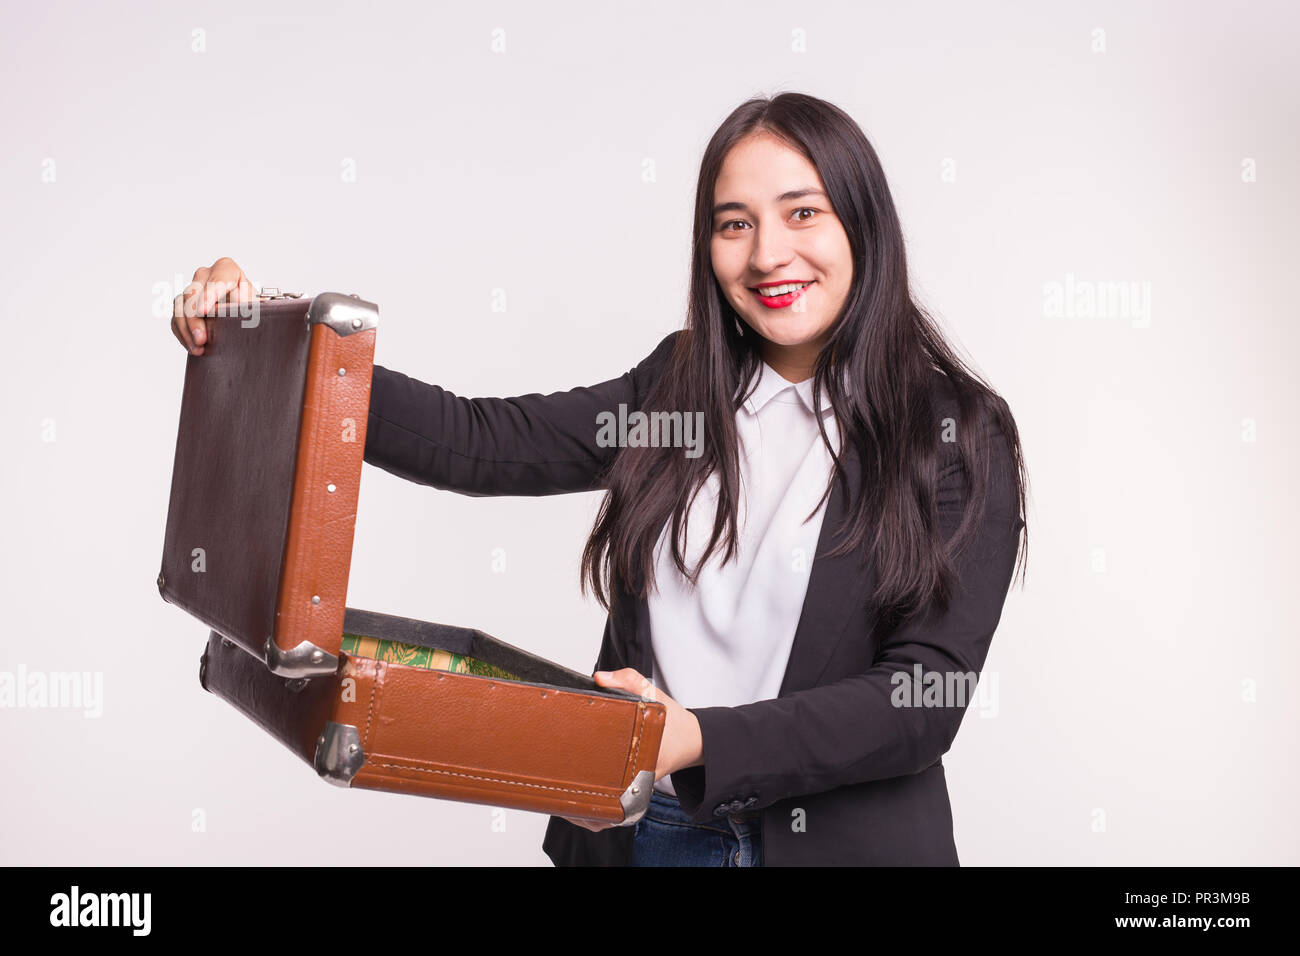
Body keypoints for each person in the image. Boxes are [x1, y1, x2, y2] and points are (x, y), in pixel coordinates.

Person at [169, 91, 1028, 867]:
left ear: (862, 226)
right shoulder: (681, 392)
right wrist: (288, 345)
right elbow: (480, 440)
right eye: (734, 224)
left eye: (803, 212)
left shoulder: (954, 434)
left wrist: (697, 739)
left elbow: (918, 701)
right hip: (638, 836)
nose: (770, 254)